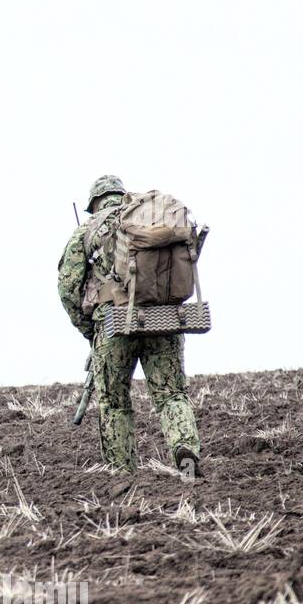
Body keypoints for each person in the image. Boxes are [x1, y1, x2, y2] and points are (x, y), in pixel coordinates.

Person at [57, 174, 203, 482]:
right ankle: (185, 451)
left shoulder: (86, 231)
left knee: (114, 401)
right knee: (172, 394)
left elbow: (68, 289)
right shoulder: (150, 217)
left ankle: (122, 473)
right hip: (162, 317)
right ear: (121, 195)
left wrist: (90, 330)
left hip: (112, 324)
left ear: (94, 203)